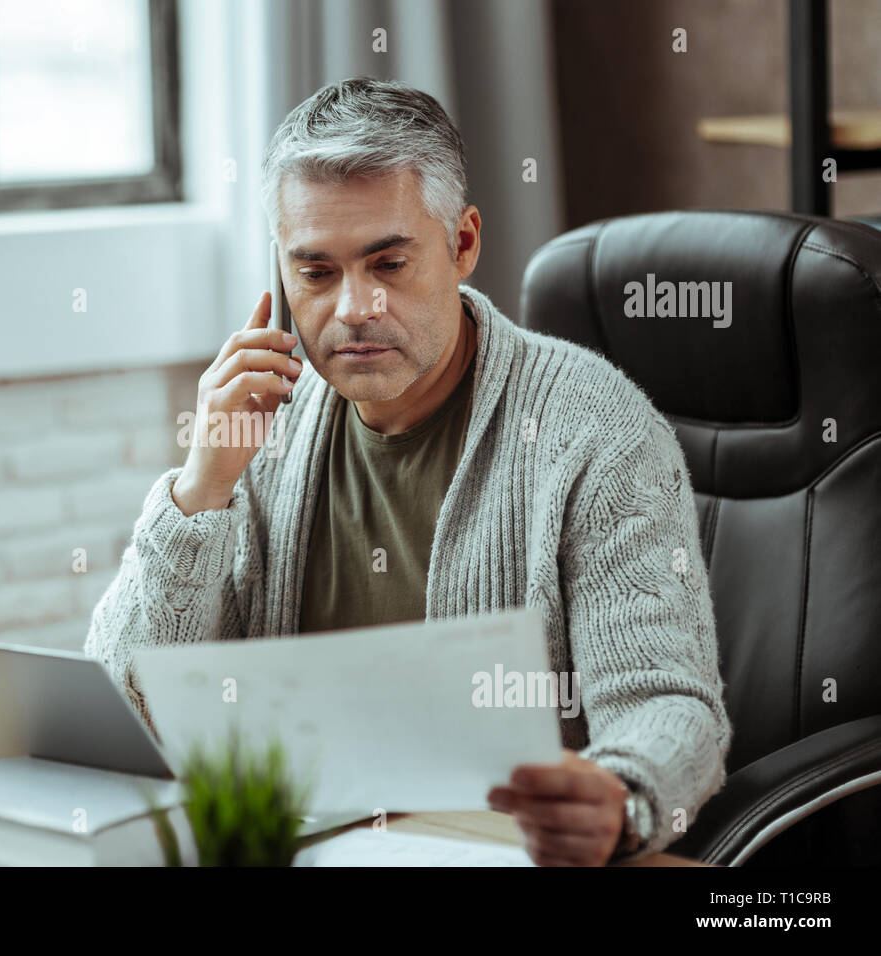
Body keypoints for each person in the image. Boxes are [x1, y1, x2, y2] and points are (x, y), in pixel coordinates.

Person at [85, 76, 731, 866]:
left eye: (388, 262)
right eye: (316, 273)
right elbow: (127, 711)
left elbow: (669, 706)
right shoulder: (259, 422)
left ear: (462, 244)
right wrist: (198, 492)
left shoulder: (596, 429)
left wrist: (623, 796)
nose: (356, 307)